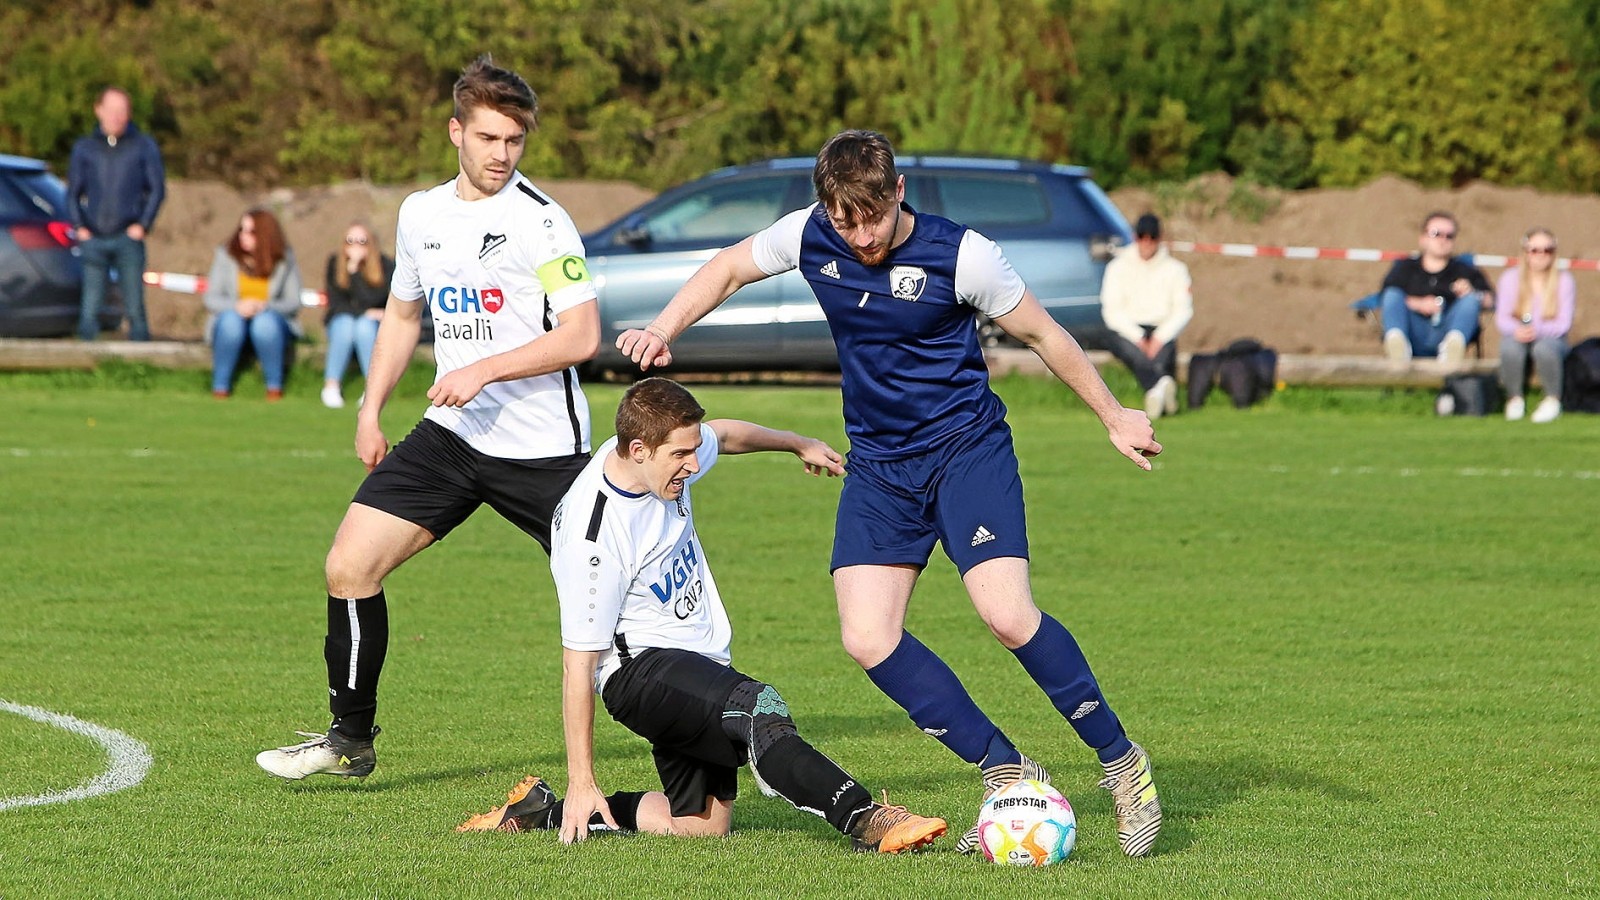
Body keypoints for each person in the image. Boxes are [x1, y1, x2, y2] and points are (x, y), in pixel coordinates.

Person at [617, 129, 1165, 858]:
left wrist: (1113, 413)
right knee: (867, 636)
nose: (861, 234)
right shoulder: (811, 235)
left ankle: (1122, 764)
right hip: (879, 466)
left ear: (898, 193)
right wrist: (663, 327)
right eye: (845, 220)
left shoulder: (962, 254)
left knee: (1005, 614)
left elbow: (1044, 334)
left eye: (872, 216)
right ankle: (1006, 771)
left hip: (967, 453)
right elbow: (725, 269)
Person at [254, 55, 600, 779]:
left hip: (543, 451)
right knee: (349, 565)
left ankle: (717, 728)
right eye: (488, 139)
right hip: (453, 439)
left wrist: (483, 369)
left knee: (617, 614)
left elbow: (582, 336)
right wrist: (370, 407)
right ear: (455, 133)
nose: (502, 155)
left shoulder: (543, 220)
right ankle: (349, 741)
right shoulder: (421, 215)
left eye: (514, 141)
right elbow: (403, 316)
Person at [457, 378, 948, 854]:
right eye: (680, 455)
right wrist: (583, 777)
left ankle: (540, 812)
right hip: (640, 674)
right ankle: (868, 818)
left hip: (694, 662)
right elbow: (577, 667)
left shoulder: (654, 453)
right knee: (758, 708)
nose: (692, 465)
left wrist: (796, 442)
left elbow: (728, 435)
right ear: (639, 450)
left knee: (697, 828)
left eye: (693, 450)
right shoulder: (594, 540)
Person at [66, 86, 166, 342]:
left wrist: (143, 224)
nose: (116, 116)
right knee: (89, 308)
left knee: (134, 306)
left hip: (127, 237)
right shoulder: (86, 148)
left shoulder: (142, 146)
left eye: (121, 111)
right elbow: (73, 192)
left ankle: (141, 365)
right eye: (111, 110)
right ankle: (83, 366)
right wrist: (80, 227)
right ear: (98, 110)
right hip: (94, 238)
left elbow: (156, 189)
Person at [1099, 213, 1193, 419]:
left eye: (1152, 237)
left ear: (1159, 239)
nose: (1147, 242)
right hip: (1127, 329)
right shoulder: (1117, 267)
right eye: (1142, 236)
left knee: (1163, 352)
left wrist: (1159, 337)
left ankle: (1155, 391)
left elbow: (1183, 310)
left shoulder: (1176, 270)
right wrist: (1139, 337)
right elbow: (1111, 311)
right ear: (1135, 237)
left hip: (1161, 329)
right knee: (1131, 350)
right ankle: (1160, 385)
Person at [202, 209, 302, 400]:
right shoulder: (226, 255)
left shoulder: (284, 259)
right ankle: (220, 387)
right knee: (231, 320)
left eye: (250, 232)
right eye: (242, 230)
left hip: (269, 321)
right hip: (232, 319)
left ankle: (274, 387)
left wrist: (263, 306)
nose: (243, 236)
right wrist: (237, 306)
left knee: (265, 322)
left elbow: (293, 302)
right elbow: (211, 298)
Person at [1378, 211, 1492, 364]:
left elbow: (1492, 301)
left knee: (1471, 300)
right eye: (1436, 234)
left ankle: (1452, 350)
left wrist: (1472, 293)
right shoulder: (1405, 267)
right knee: (1392, 295)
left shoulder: (1466, 270)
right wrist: (1419, 304)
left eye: (1449, 236)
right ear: (1423, 239)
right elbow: (1385, 297)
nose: (1443, 240)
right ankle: (1398, 348)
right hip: (1412, 330)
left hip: (1447, 329)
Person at [1494, 228, 1574, 423]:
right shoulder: (1509, 278)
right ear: (1525, 252)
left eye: (1547, 250)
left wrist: (1538, 330)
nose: (1541, 256)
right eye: (1535, 250)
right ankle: (1514, 399)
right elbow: (1502, 318)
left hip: (1551, 337)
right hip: (1519, 333)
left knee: (1544, 348)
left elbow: (1563, 323)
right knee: (1509, 347)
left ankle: (1552, 399)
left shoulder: (1564, 281)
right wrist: (1517, 330)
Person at [321, 222, 394, 409]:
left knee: (363, 326)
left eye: (362, 241)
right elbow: (337, 303)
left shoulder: (385, 265)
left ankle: (372, 389)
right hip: (341, 320)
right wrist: (351, 269)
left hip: (371, 325)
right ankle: (331, 385)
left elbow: (373, 299)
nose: (355, 246)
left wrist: (355, 274)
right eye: (350, 241)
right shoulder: (334, 264)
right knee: (346, 324)